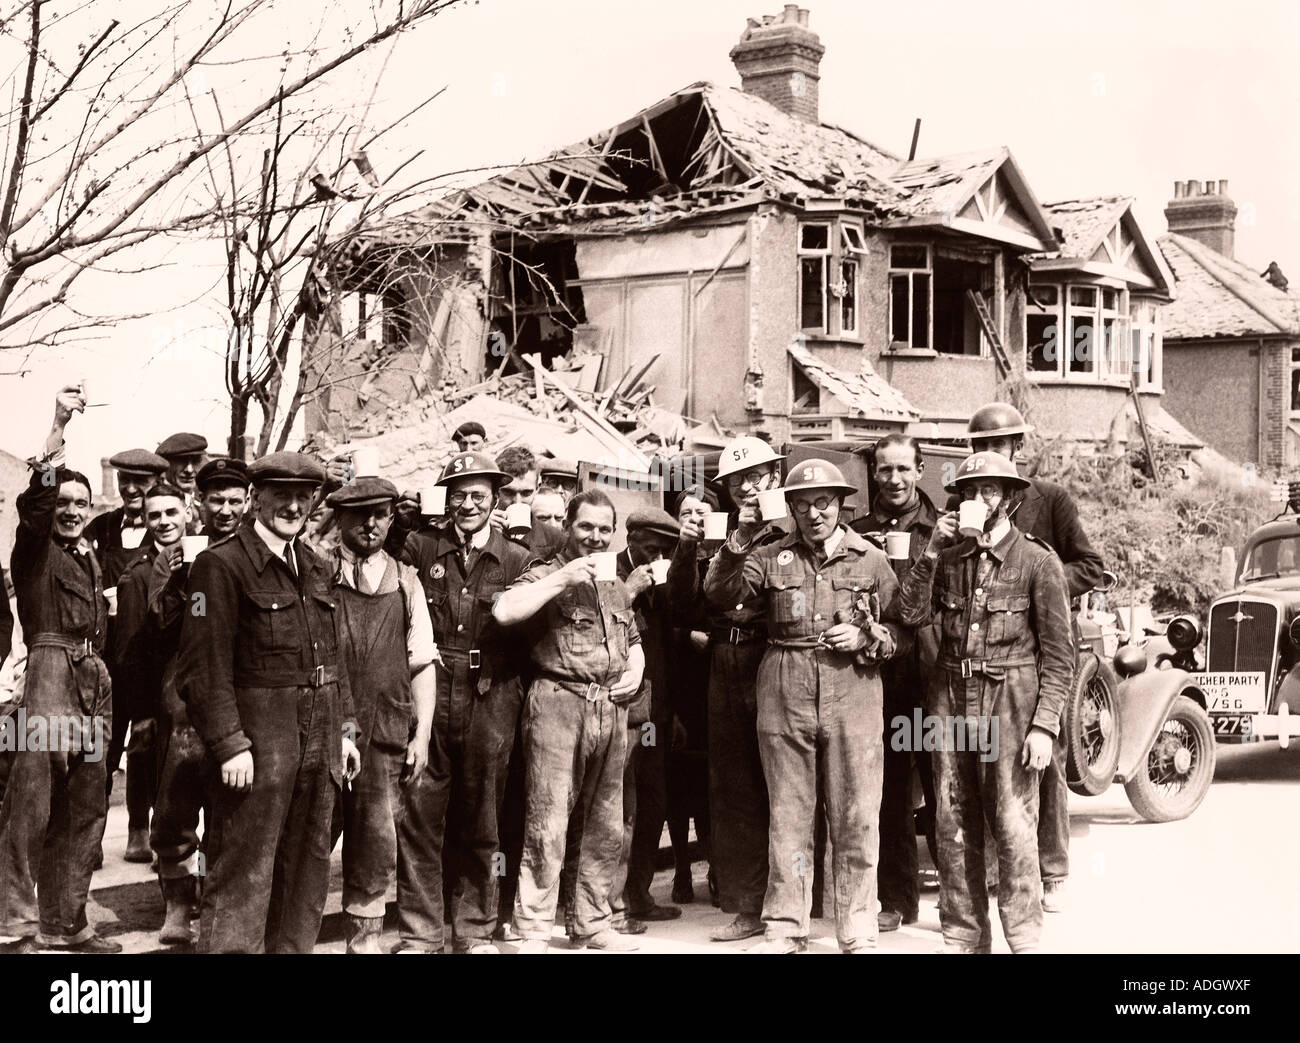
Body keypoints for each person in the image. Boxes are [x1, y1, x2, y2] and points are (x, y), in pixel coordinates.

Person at [706, 457, 901, 953]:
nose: (814, 514)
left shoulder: (870, 558)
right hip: (783, 684)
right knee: (789, 813)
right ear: (789, 507)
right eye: (803, 505)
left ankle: (857, 923)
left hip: (853, 689)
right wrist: (739, 539)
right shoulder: (771, 553)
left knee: (856, 811)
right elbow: (721, 593)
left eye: (824, 504)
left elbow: (901, 627)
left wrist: (864, 634)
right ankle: (785, 925)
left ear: (839, 505)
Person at [176, 450, 360, 953]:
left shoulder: (317, 567)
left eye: (304, 496)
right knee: (243, 870)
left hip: (319, 737)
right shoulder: (218, 566)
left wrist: (344, 731)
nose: (294, 505)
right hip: (260, 741)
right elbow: (201, 667)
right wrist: (230, 743)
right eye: (282, 494)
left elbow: (333, 656)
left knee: (307, 866)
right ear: (257, 498)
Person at [900, 451, 1074, 953]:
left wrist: (1044, 726)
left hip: (1011, 699)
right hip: (949, 696)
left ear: (1011, 499)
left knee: (1015, 823)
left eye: (990, 491)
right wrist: (931, 551)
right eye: (970, 491)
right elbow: (909, 615)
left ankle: (1024, 939)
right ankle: (964, 938)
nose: (979, 499)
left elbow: (1060, 655)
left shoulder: (1038, 562)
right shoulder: (949, 559)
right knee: (952, 822)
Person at [957, 402, 1100, 912]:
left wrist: (1047, 583)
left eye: (999, 445)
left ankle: (1053, 869)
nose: (990, 453)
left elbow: (1092, 566)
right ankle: (1000, 872)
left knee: (1048, 756)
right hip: (994, 649)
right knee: (988, 764)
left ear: (1017, 448)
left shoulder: (1049, 499)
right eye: (981, 446)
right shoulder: (969, 502)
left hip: (1044, 649)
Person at [493, 489, 645, 953]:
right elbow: (504, 611)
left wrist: (637, 669)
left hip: (610, 708)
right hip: (558, 702)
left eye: (604, 529)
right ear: (568, 527)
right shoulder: (544, 570)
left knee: (604, 827)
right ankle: (534, 927)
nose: (595, 538)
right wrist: (562, 578)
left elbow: (632, 636)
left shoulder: (614, 580)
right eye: (585, 527)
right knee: (548, 821)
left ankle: (592, 924)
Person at [393, 451, 531, 953]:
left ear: (496, 500)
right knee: (419, 816)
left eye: (478, 495)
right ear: (445, 500)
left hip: (490, 692)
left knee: (483, 819)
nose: (468, 504)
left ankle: (475, 929)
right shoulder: (420, 546)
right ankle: (420, 932)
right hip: (431, 686)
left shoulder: (516, 558)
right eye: (458, 495)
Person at [0, 385, 120, 953]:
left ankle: (65, 924)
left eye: (81, 503)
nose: (71, 511)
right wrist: (56, 426)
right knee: (29, 808)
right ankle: (16, 927)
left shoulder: (91, 558)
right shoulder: (34, 551)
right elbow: (37, 503)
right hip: (47, 684)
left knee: (87, 806)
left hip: (93, 688)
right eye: (64, 503)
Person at [667, 436, 786, 943]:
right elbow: (681, 607)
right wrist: (686, 546)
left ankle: (790, 902)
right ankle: (745, 906)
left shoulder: (792, 527)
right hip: (724, 660)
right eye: (738, 481)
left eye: (757, 476)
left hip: (772, 657)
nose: (748, 487)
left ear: (775, 478)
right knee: (732, 785)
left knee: (784, 784)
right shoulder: (717, 534)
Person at [325, 477, 437, 954]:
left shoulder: (406, 581)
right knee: (309, 841)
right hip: (323, 730)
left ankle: (363, 942)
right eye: (359, 515)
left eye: (380, 514)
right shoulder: (317, 572)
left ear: (392, 519)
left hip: (386, 732)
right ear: (340, 520)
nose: (370, 524)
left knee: (375, 843)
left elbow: (422, 662)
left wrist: (423, 734)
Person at [146, 457, 251, 945]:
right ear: (199, 505)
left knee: (232, 803)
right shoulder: (175, 557)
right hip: (186, 695)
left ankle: (217, 900)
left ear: (247, 502)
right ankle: (177, 902)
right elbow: (160, 629)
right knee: (177, 799)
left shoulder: (257, 550)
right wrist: (179, 580)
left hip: (242, 690)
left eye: (234, 500)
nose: (226, 510)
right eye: (216, 501)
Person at [850, 434, 939, 932]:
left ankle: (963, 898)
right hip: (877, 682)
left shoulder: (944, 530)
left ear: (920, 469)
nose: (894, 479)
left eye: (904, 469)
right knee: (885, 796)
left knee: (947, 794)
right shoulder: (857, 532)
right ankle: (897, 899)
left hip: (932, 683)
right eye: (885, 470)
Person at [86, 446, 168, 863]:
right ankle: (92, 835)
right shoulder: (99, 528)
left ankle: (139, 827)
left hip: (150, 659)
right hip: (107, 656)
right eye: (125, 481)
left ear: (155, 485)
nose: (132, 489)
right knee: (101, 743)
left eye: (142, 482)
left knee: (145, 742)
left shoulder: (165, 530)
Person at [112, 482, 190, 865]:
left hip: (200, 686)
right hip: (159, 691)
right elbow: (130, 650)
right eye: (154, 515)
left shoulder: (205, 558)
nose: (163, 522)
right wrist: (140, 710)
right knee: (158, 770)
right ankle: (146, 835)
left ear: (187, 510)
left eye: (170, 513)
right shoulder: (139, 574)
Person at [620, 508, 684, 923]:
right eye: (649, 547)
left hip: (655, 716)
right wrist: (627, 591)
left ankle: (638, 894)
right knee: (619, 808)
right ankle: (608, 901)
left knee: (653, 804)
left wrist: (671, 712)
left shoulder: (663, 581)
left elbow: (667, 653)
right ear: (632, 537)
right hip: (621, 713)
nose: (656, 556)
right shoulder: (611, 573)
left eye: (664, 550)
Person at [665, 486, 716, 906]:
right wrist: (687, 636)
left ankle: (717, 867)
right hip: (681, 684)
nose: (695, 518)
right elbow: (656, 624)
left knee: (717, 787)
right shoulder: (667, 560)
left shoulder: (730, 556)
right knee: (679, 788)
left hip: (719, 684)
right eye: (686, 512)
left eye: (703, 512)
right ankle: (682, 867)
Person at [155, 432, 208, 535]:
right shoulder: (154, 502)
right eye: (181, 461)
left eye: (196, 461)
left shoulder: (203, 501)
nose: (189, 470)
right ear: (166, 464)